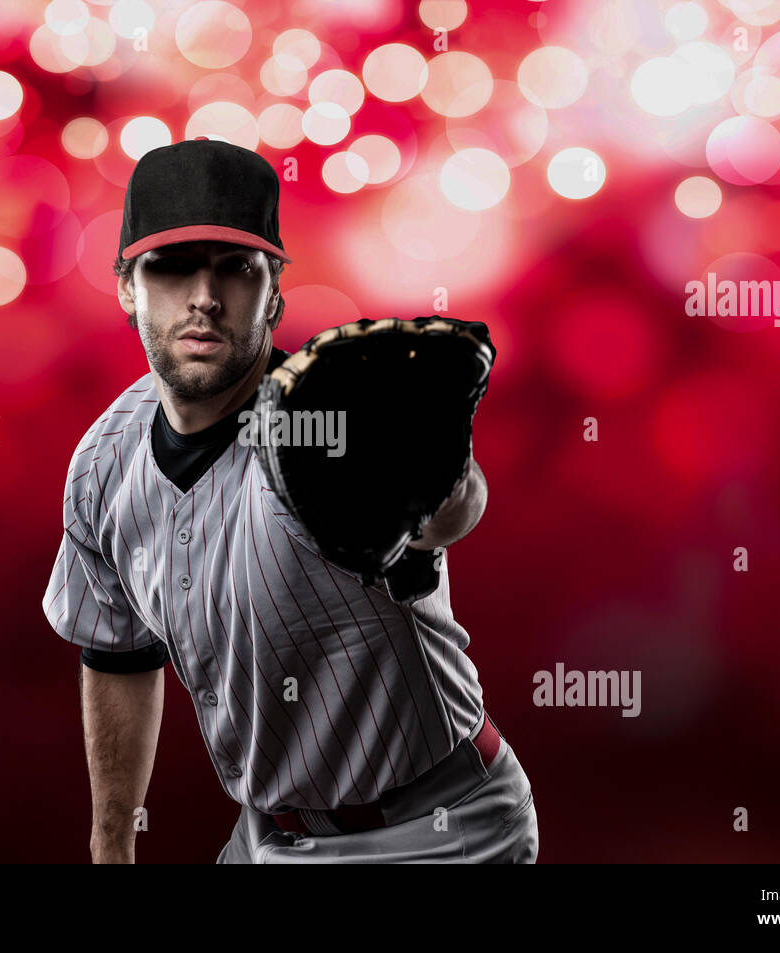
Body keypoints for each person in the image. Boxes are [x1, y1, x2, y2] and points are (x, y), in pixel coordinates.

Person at [42, 137, 538, 863]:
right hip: (267, 833)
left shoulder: (331, 427)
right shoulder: (104, 460)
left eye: (236, 269)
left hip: (434, 832)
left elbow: (447, 511)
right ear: (127, 286)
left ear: (273, 288)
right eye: (173, 267)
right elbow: (119, 653)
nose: (204, 297)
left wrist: (445, 484)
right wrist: (112, 846)